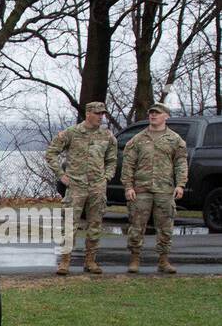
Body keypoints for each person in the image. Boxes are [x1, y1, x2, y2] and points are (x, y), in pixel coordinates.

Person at [45, 101, 117, 275]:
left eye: (103, 114)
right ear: (88, 114)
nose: (101, 117)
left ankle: (90, 261)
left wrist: (106, 177)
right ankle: (65, 261)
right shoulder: (71, 133)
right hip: (76, 186)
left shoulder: (107, 136)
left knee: (95, 224)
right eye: (98, 113)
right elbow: (51, 153)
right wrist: (61, 175)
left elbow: (112, 160)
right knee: (69, 225)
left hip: (97, 187)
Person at [121, 102, 187, 274]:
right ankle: (135, 259)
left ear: (166, 116)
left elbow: (181, 163)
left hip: (165, 190)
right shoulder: (137, 139)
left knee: (165, 227)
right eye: (151, 113)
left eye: (157, 113)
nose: (153, 115)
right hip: (141, 189)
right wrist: (128, 186)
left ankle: (163, 261)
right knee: (136, 226)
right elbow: (128, 164)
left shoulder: (175, 140)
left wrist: (180, 184)